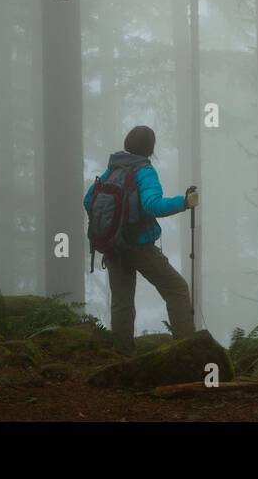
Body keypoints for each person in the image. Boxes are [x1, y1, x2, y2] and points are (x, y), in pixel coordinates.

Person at [84, 125, 198, 353]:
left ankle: (122, 356)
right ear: (150, 148)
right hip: (139, 246)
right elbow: (152, 205)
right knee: (177, 289)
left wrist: (113, 226)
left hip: (112, 246)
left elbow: (88, 200)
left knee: (122, 303)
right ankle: (188, 350)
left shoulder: (113, 169)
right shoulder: (144, 171)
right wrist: (184, 202)